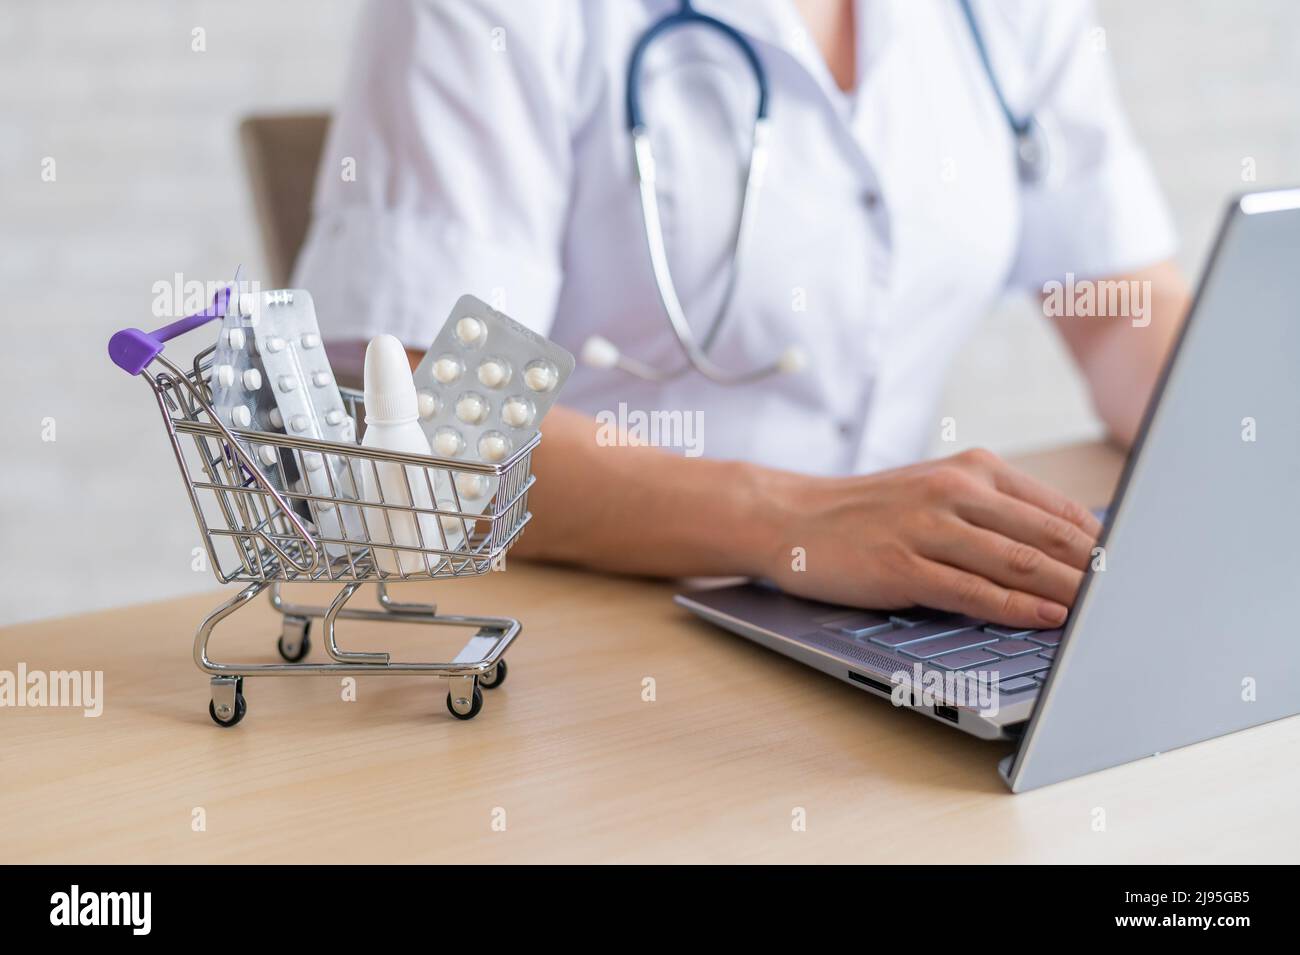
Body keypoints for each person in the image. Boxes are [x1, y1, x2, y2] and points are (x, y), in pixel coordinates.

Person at [295, 0, 1191, 628]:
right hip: (578, 625)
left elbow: (1120, 303)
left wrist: (1246, 438)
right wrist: (791, 521)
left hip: (886, 619)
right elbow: (428, 433)